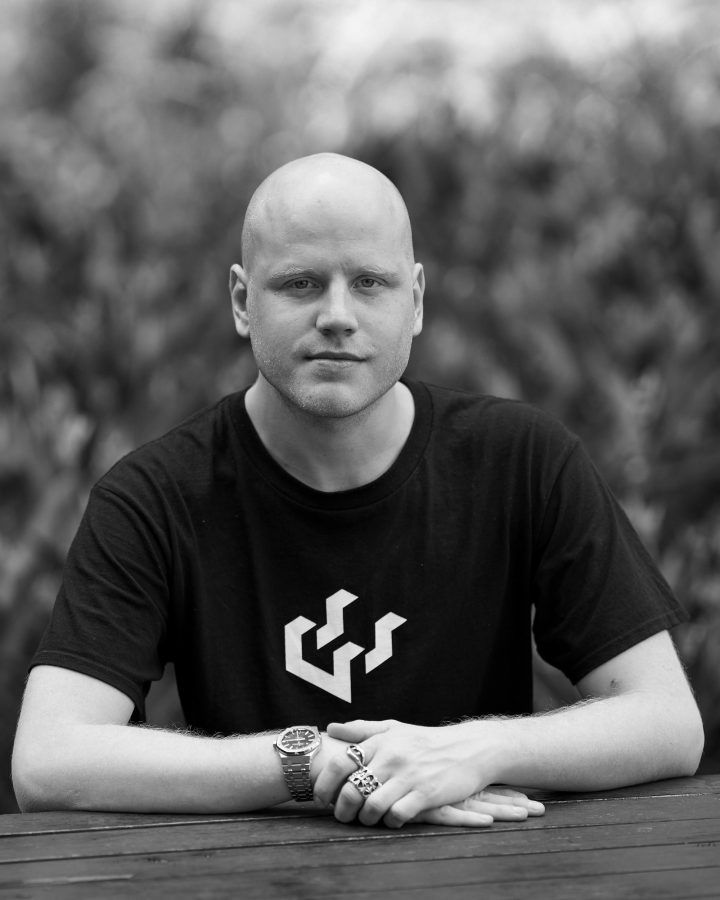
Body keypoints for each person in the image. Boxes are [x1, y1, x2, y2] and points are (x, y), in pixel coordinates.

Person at [12, 153, 703, 829]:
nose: (337, 315)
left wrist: (471, 752)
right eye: (301, 284)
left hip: (487, 868)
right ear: (243, 302)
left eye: (370, 283)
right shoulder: (153, 496)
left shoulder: (524, 460)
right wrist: (312, 763)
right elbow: (48, 761)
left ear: (416, 301)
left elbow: (668, 723)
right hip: (246, 879)